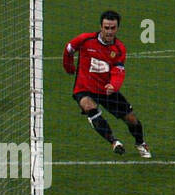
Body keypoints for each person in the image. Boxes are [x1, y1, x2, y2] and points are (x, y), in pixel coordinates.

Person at [63, 10, 151, 158]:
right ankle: (114, 142)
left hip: (106, 89)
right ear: (101, 27)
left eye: (112, 28)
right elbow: (69, 49)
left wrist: (113, 86)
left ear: (117, 28)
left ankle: (140, 143)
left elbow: (118, 70)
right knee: (88, 105)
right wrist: (69, 66)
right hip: (84, 88)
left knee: (131, 120)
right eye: (106, 27)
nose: (109, 31)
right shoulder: (85, 39)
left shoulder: (119, 48)